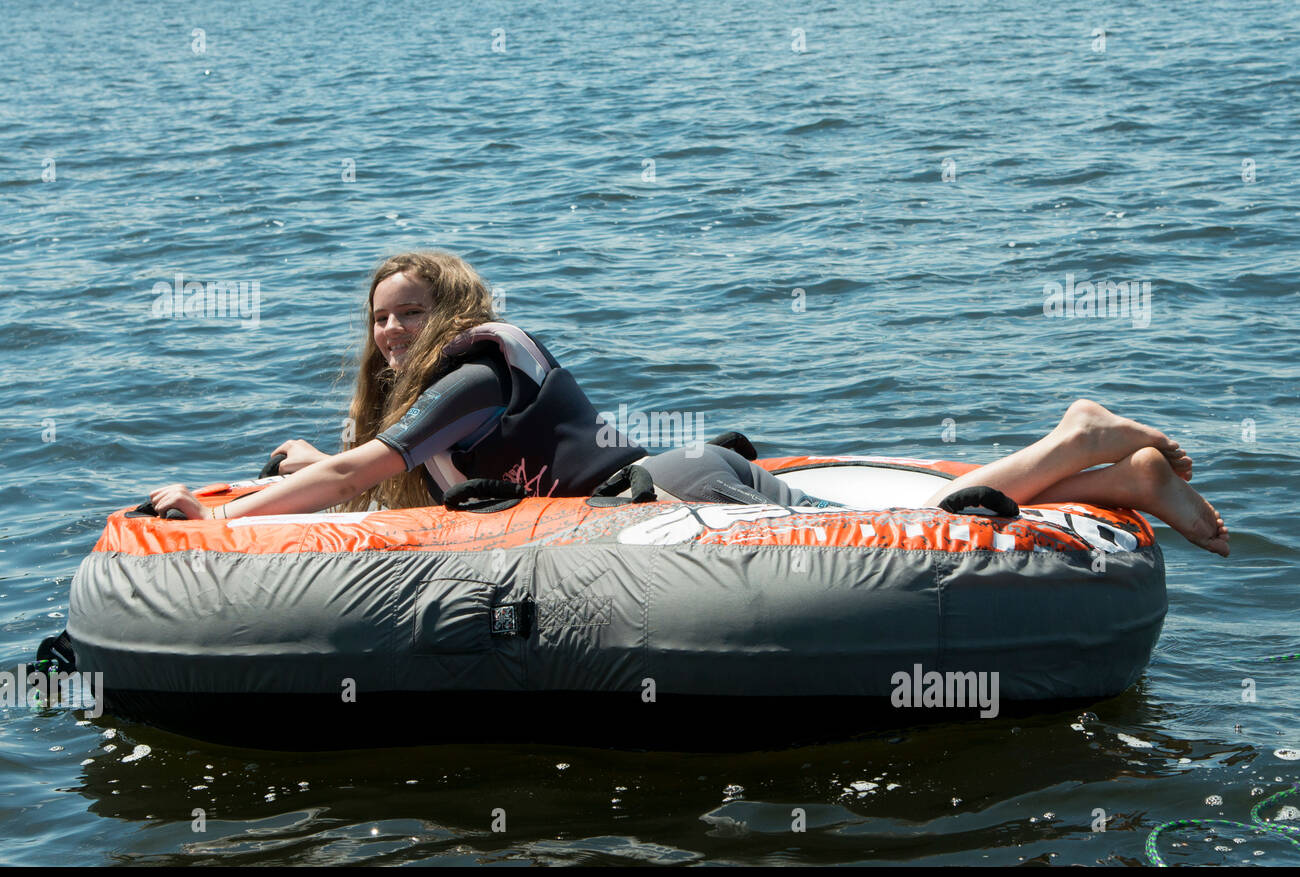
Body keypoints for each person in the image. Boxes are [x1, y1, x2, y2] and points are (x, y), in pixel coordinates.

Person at [149, 250, 1228, 557]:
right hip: (677, 482)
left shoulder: (471, 378)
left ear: (453, 312)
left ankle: (1073, 433)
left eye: (408, 313)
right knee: (914, 523)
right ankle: (1120, 477)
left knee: (915, 538)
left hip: (677, 499)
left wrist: (212, 523)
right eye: (379, 317)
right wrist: (273, 477)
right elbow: (357, 478)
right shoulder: (451, 396)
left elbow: (352, 478)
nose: (390, 332)